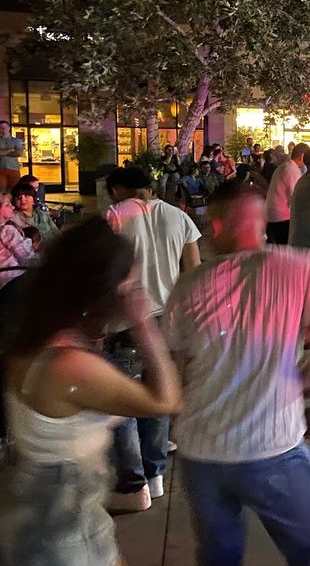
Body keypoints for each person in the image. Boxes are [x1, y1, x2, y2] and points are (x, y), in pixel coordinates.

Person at [166, 182, 310, 566]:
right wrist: (293, 384)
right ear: (261, 221)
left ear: (216, 226)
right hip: (274, 446)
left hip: (202, 451)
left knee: (219, 556)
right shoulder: (302, 267)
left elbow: (179, 370)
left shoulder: (188, 285)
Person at [1, 218, 181, 566]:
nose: (136, 293)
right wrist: (144, 323)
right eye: (130, 287)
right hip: (67, 536)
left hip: (39, 518)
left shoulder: (30, 339)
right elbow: (167, 400)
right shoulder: (71, 367)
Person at [103, 166, 201, 511]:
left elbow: (105, 272)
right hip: (168, 319)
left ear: (119, 189)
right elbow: (194, 272)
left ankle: (134, 483)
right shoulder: (179, 217)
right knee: (158, 395)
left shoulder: (115, 215)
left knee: (124, 402)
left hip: (127, 321)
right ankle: (155, 473)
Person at [265, 142, 309, 245]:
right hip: (282, 217)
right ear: (302, 156)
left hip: (273, 215)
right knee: (285, 249)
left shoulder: (285, 167)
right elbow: (295, 197)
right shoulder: (292, 170)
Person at [10, 181, 58, 246]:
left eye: (26, 196)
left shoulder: (41, 214)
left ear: (33, 198)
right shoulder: (12, 218)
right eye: (18, 197)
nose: (22, 199)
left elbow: (56, 232)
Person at [0, 120, 24, 191]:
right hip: (1, 169)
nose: (3, 129)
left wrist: (2, 152)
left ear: (9, 128)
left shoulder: (16, 141)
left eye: (5, 127)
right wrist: (10, 150)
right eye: (1, 127)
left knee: (14, 191)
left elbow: (19, 153)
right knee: (1, 191)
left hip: (14, 169)